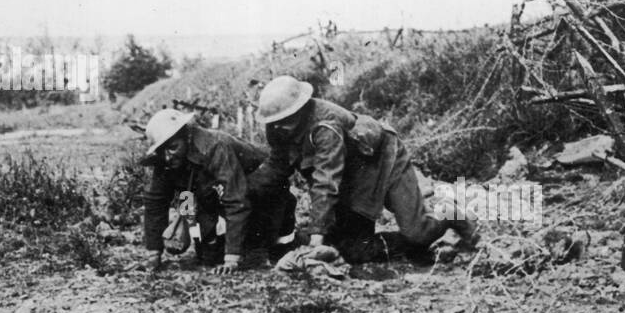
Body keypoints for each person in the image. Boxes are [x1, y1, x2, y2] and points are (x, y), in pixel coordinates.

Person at [255, 75, 478, 265]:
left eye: (285, 120)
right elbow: (275, 167)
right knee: (354, 248)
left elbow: (326, 181)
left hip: (385, 160)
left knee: (417, 231)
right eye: (274, 122)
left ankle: (449, 213)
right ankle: (418, 251)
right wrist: (241, 190)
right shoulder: (278, 128)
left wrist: (316, 240)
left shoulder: (325, 127)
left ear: (301, 110)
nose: (277, 128)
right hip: (355, 178)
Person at [139, 108, 295, 273]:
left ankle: (278, 241)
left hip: (264, 197)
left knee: (259, 255)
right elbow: (156, 201)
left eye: (172, 147)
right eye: (161, 151)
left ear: (187, 136)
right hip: (218, 198)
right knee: (208, 258)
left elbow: (236, 200)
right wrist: (153, 254)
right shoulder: (167, 158)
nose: (168, 157)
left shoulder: (215, 147)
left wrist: (232, 259)